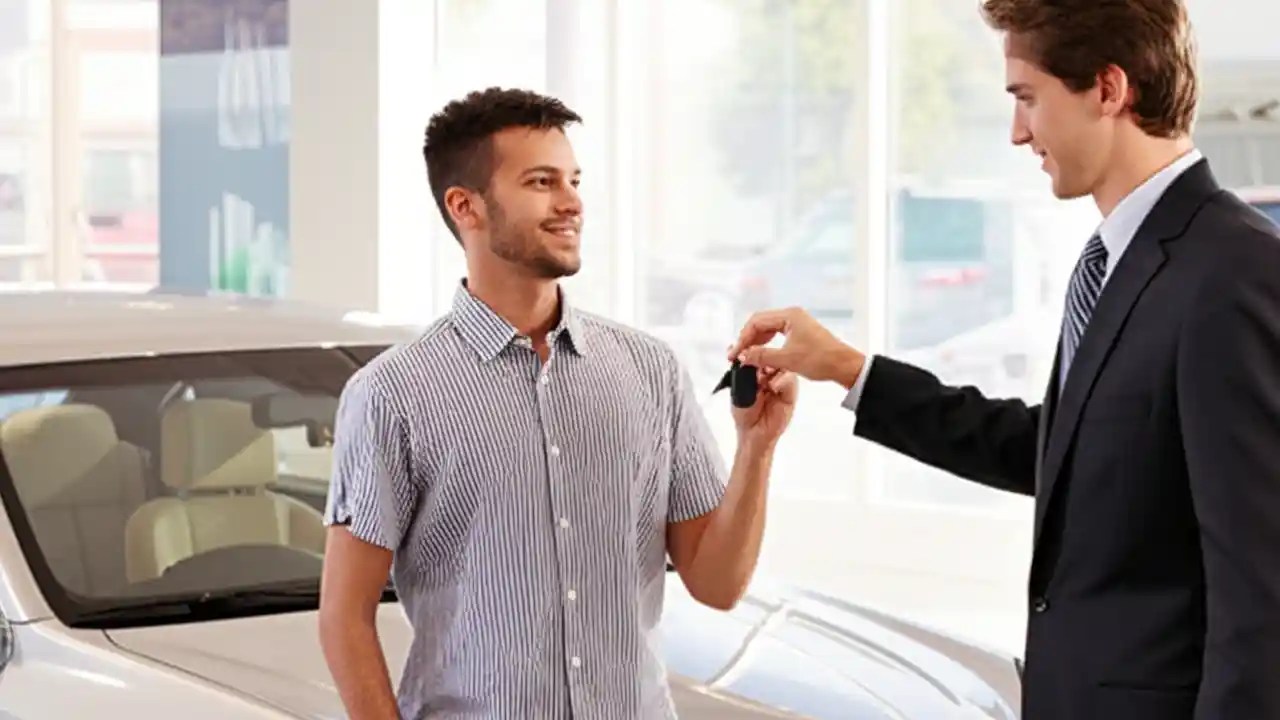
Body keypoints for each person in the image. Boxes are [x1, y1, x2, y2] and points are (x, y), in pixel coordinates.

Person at [728, 1, 1280, 718]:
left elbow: (1262, 589)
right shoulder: (1122, 260)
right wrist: (848, 369)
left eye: (1028, 99)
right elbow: (1056, 448)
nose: (1018, 132)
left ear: (1109, 90)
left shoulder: (1232, 273)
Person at [317, 87, 797, 720]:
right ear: (467, 207)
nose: (571, 202)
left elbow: (717, 585)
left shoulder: (648, 371)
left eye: (573, 180)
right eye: (542, 182)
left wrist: (756, 447)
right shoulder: (393, 394)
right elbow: (345, 618)